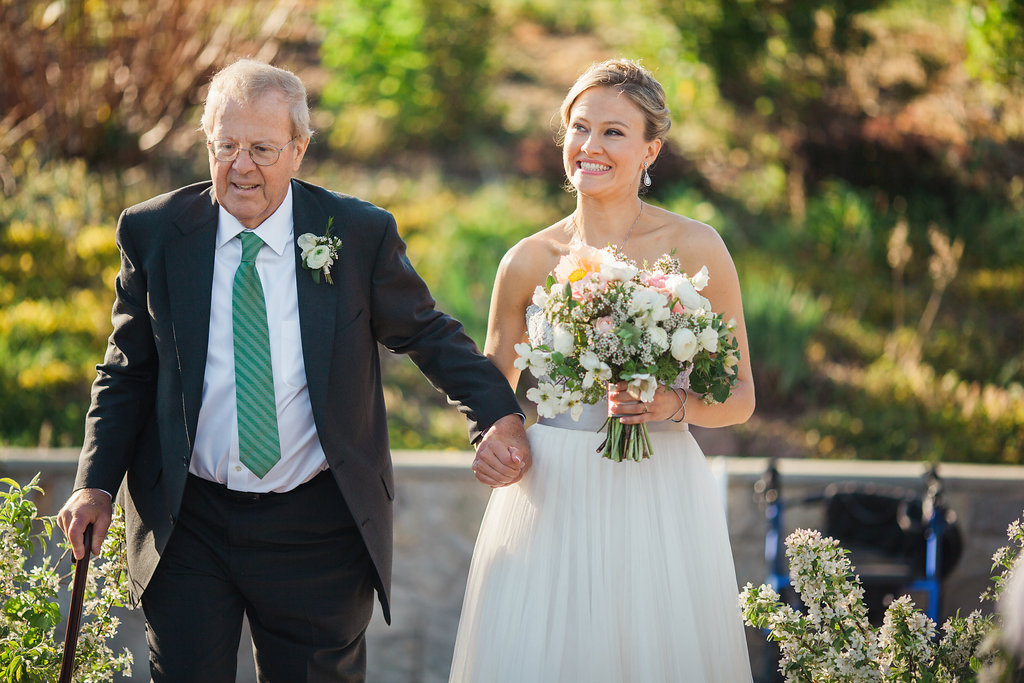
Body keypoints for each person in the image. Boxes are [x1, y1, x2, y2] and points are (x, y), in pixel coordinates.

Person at [56, 58, 530, 683]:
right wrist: (95, 483)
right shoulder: (155, 233)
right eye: (225, 147)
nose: (241, 166)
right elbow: (127, 369)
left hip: (316, 526)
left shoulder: (355, 233)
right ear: (207, 146)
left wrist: (497, 413)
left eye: (261, 148)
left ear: (299, 149)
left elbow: (425, 333)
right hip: (188, 518)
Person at [450, 59, 755, 682]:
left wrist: (674, 405)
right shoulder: (527, 261)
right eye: (579, 128)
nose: (590, 146)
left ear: (651, 149)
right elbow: (492, 397)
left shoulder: (696, 249)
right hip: (551, 494)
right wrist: (492, 440)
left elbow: (741, 396)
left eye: (614, 132)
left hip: (660, 492)